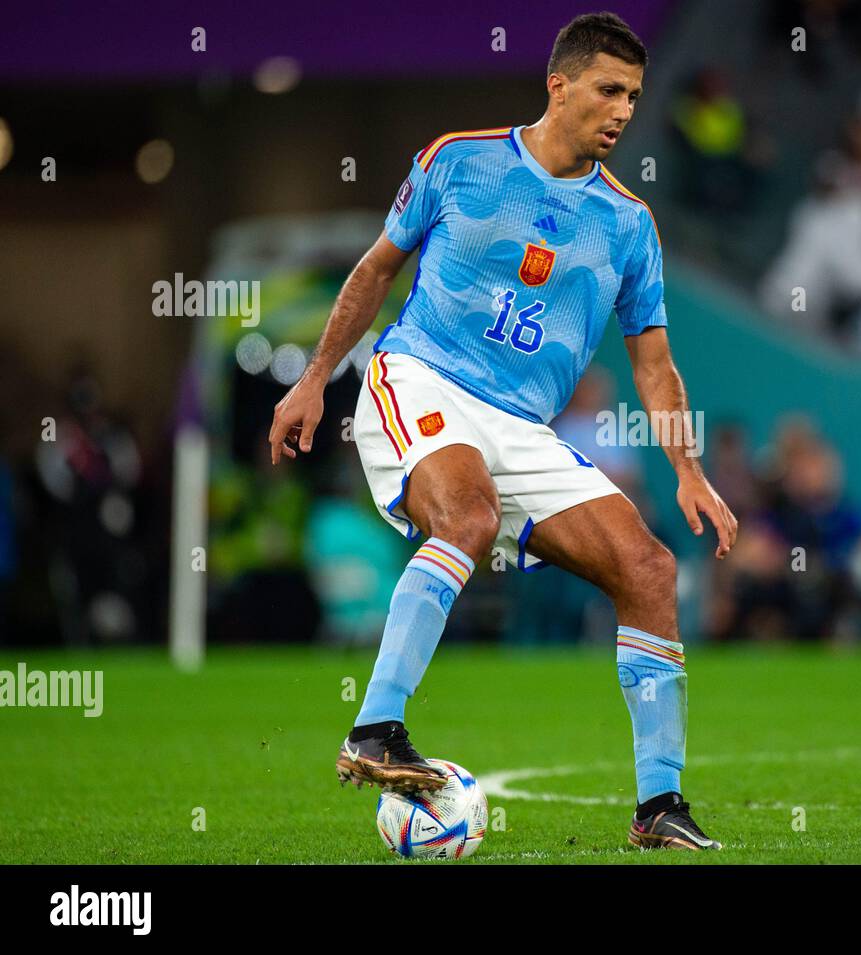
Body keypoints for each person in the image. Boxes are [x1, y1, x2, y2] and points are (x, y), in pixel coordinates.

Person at [266, 12, 736, 851]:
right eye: (608, 90)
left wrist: (689, 470)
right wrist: (311, 379)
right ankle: (374, 728)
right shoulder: (460, 160)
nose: (624, 110)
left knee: (649, 566)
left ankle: (658, 805)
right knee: (469, 519)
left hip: (521, 425)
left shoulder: (628, 224)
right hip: (418, 376)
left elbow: (654, 364)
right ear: (558, 86)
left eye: (632, 93)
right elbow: (377, 268)